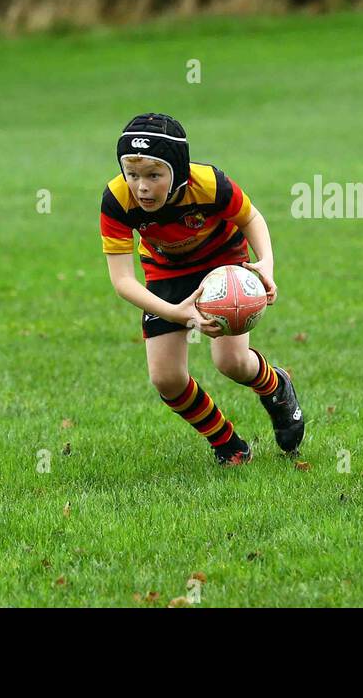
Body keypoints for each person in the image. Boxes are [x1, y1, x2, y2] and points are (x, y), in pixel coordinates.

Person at [100, 113, 304, 465]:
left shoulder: (209, 183)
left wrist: (265, 262)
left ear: (177, 170)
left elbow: (250, 217)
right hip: (166, 273)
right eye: (132, 174)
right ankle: (227, 443)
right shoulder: (118, 199)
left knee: (232, 362)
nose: (142, 186)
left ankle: (276, 387)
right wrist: (176, 313)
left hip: (222, 263)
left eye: (153, 175)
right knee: (166, 378)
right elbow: (122, 281)